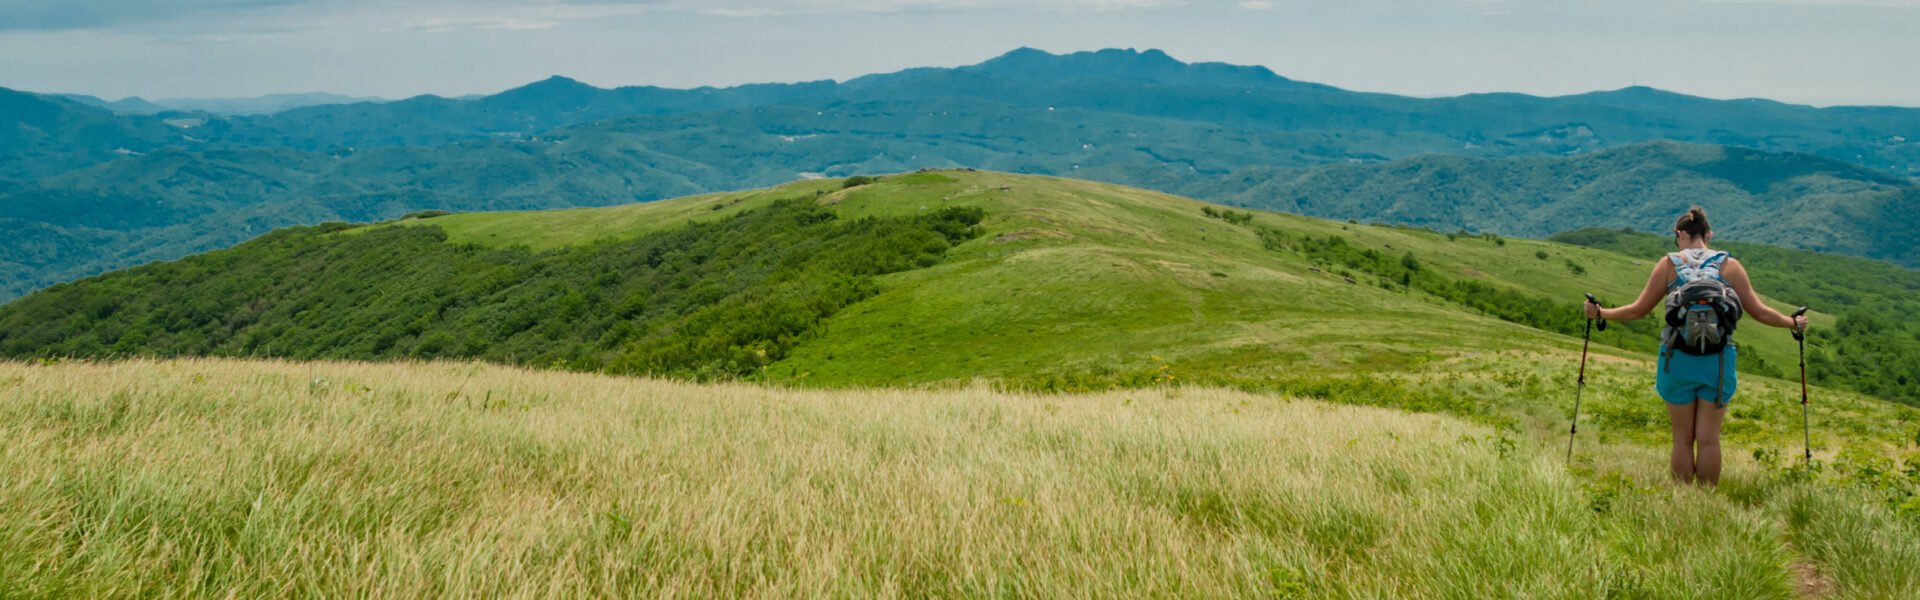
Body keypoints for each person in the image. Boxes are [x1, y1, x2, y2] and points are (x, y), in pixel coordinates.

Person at [1584, 207, 1807, 485]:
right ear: (1708, 235)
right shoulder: (1730, 266)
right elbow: (1760, 312)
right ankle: (1706, 502)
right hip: (1718, 361)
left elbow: (1636, 311)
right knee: (1709, 440)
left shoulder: (1669, 264)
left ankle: (1683, 501)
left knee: (1682, 439)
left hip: (1676, 358)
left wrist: (1600, 314)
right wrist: (1792, 322)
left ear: (1680, 235)